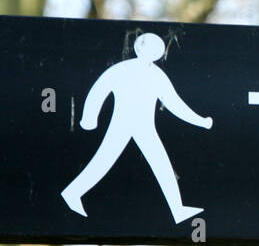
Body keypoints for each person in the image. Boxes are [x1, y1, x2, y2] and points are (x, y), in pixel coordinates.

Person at [61, 32, 213, 224]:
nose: (155, 51)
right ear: (139, 48)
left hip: (144, 127)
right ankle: (72, 193)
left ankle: (177, 209)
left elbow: (175, 104)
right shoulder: (123, 69)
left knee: (160, 164)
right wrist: (89, 119)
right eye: (150, 47)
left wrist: (201, 121)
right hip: (122, 124)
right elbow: (99, 90)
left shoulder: (157, 75)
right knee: (104, 161)